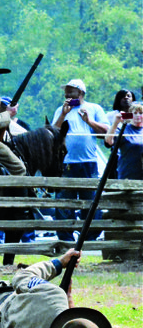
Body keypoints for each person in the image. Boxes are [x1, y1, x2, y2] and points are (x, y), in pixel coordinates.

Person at [52, 79, 109, 242]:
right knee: (64, 203)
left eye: (71, 91)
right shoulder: (61, 110)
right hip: (66, 163)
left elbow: (106, 131)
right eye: (66, 92)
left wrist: (89, 121)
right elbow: (54, 132)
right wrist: (63, 113)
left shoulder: (94, 108)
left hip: (88, 162)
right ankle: (66, 239)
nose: (67, 94)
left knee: (91, 202)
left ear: (81, 93)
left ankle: (89, 239)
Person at [105, 102, 143, 180]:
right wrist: (115, 123)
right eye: (135, 113)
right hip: (128, 174)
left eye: (141, 113)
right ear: (130, 115)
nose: (138, 115)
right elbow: (109, 141)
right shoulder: (124, 129)